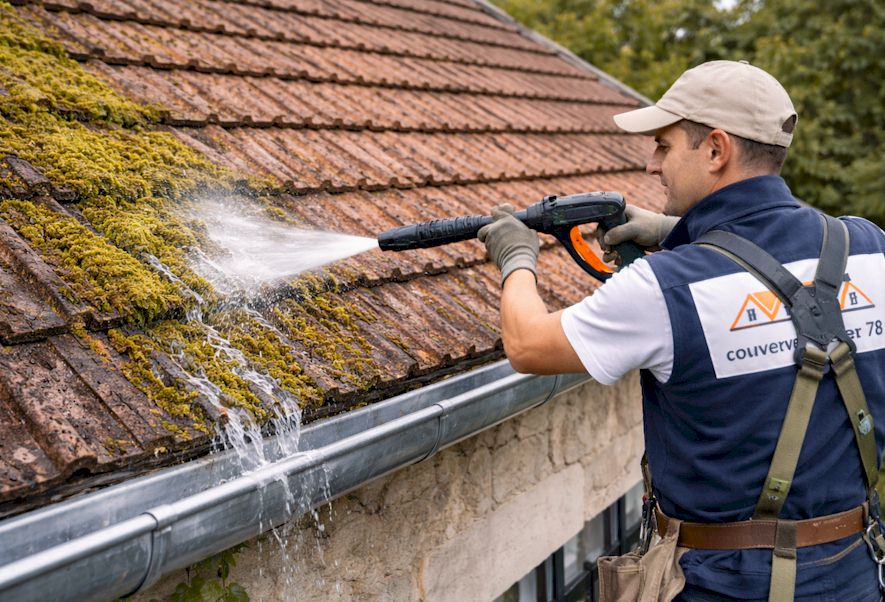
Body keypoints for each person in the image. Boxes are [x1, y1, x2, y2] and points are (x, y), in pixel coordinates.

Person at [478, 60, 885, 601]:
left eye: (664, 146)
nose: (651, 165)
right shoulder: (868, 247)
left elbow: (528, 344)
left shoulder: (662, 288)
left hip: (726, 588)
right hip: (853, 573)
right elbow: (787, 269)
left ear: (716, 150)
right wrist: (682, 232)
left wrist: (516, 256)